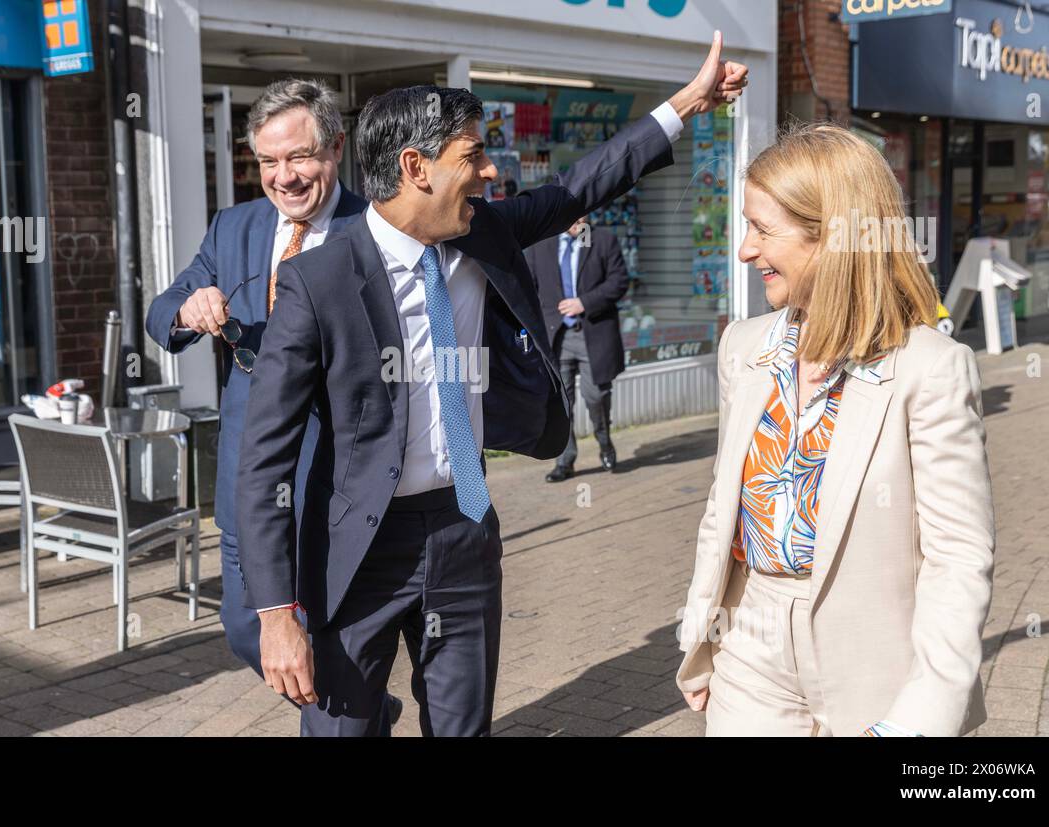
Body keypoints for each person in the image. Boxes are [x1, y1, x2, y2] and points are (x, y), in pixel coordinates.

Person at [238, 34, 747, 736]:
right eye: (472, 155)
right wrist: (274, 616)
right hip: (357, 551)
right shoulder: (316, 281)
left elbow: (587, 181)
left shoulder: (486, 233)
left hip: (464, 528)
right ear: (415, 167)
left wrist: (688, 102)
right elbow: (264, 456)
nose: (487, 171)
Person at [675, 123, 995, 736]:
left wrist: (919, 721)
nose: (744, 250)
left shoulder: (930, 367)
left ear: (834, 238)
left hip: (877, 659)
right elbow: (725, 505)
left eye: (762, 229)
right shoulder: (743, 348)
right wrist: (702, 633)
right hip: (750, 641)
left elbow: (957, 558)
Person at [143, 80, 411, 716]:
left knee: (321, 638)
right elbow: (159, 312)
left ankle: (352, 705)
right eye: (268, 161)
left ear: (336, 149)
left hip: (338, 478)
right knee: (246, 628)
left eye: (299, 157)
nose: (284, 177)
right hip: (249, 471)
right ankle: (365, 707)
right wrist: (187, 307)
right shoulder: (234, 224)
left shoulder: (376, 228)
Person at [526, 217, 629, 480]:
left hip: (593, 335)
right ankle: (565, 460)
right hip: (556, 338)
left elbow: (619, 281)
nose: (578, 221)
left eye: (583, 216)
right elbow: (529, 289)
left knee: (596, 396)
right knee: (562, 402)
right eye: (572, 216)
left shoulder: (603, 241)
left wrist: (584, 302)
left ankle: (605, 443)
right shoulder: (540, 247)